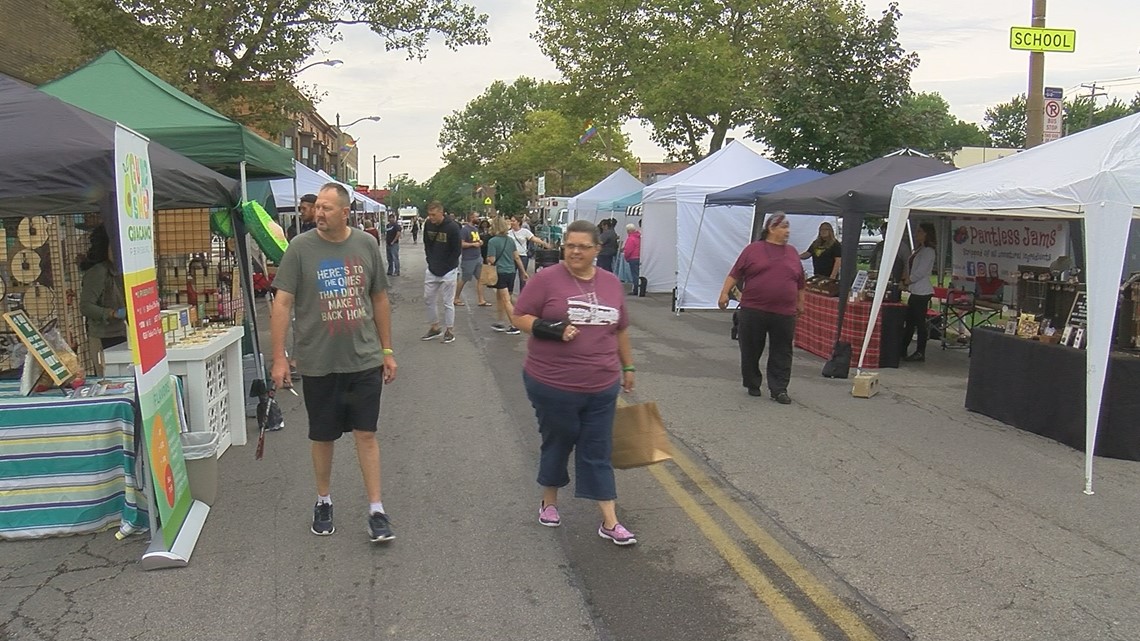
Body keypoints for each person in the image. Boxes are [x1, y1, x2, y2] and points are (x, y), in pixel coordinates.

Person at [268, 182, 398, 543]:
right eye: (317, 207)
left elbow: (379, 298)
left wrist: (387, 351)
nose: (318, 213)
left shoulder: (366, 244)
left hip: (363, 358)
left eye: (326, 208)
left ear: (345, 212)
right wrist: (279, 357)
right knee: (323, 436)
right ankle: (323, 500)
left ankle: (377, 510)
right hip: (319, 361)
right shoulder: (300, 248)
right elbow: (282, 303)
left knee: (366, 433)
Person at [510, 219, 638, 546]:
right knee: (560, 439)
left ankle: (610, 521)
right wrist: (550, 328)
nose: (575, 252)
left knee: (597, 448)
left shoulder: (611, 283)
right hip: (552, 383)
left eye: (583, 246)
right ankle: (549, 502)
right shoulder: (546, 279)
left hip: (602, 383)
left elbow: (620, 328)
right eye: (570, 246)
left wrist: (628, 366)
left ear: (598, 249)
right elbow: (519, 315)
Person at [718, 213, 805, 404]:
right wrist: (724, 293)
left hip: (784, 312)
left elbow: (800, 281)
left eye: (788, 227)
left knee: (782, 351)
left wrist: (800, 302)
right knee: (751, 348)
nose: (787, 231)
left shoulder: (792, 252)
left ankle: (779, 389)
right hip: (754, 309)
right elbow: (735, 273)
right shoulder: (753, 250)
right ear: (771, 229)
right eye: (783, 227)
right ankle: (752, 382)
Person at [79, 225, 127, 375]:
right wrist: (111, 313)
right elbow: (86, 306)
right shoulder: (98, 272)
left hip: (123, 333)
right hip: (104, 337)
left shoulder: (120, 270)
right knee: (109, 377)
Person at [421, 201, 462, 343]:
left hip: (449, 269)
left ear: (441, 212)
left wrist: (447, 265)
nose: (431, 217)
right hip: (433, 267)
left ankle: (449, 330)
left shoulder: (452, 227)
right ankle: (435, 327)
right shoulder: (428, 225)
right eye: (429, 214)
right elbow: (427, 243)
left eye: (433, 215)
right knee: (428, 298)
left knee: (448, 301)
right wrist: (430, 260)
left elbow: (456, 250)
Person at [901, 222, 937, 362]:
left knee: (919, 322)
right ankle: (903, 348)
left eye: (920, 231)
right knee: (910, 321)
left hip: (922, 291)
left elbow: (921, 272)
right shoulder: (919, 250)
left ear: (927, 234)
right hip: (915, 290)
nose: (917, 234)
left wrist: (907, 281)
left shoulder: (929, 251)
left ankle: (920, 351)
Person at [486, 216, 528, 335]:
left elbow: (492, 259)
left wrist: (488, 259)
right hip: (511, 272)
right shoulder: (510, 240)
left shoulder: (492, 241)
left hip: (500, 272)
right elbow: (516, 257)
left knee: (505, 300)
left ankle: (515, 325)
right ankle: (500, 321)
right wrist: (523, 272)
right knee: (501, 297)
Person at [454, 212, 490, 307]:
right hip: (468, 259)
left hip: (478, 257)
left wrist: (480, 242)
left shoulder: (475, 229)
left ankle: (481, 300)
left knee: (481, 279)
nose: (478, 219)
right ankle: (456, 298)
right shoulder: (465, 230)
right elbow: (461, 244)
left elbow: (476, 240)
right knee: (464, 279)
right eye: (476, 217)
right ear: (471, 217)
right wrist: (473, 245)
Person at [508, 214, 551, 291]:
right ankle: (509, 292)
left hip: (522, 255)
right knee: (511, 276)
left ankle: (523, 293)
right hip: (512, 256)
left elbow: (534, 238)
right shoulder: (508, 233)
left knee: (522, 275)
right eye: (511, 221)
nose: (511, 222)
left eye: (513, 221)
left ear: (518, 222)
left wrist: (544, 243)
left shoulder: (525, 232)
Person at [622, 223, 642, 295]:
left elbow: (628, 250)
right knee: (638, 274)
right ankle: (639, 288)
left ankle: (636, 289)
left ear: (629, 231)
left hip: (633, 258)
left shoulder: (631, 239)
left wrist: (626, 257)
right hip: (639, 257)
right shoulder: (639, 238)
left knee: (634, 275)